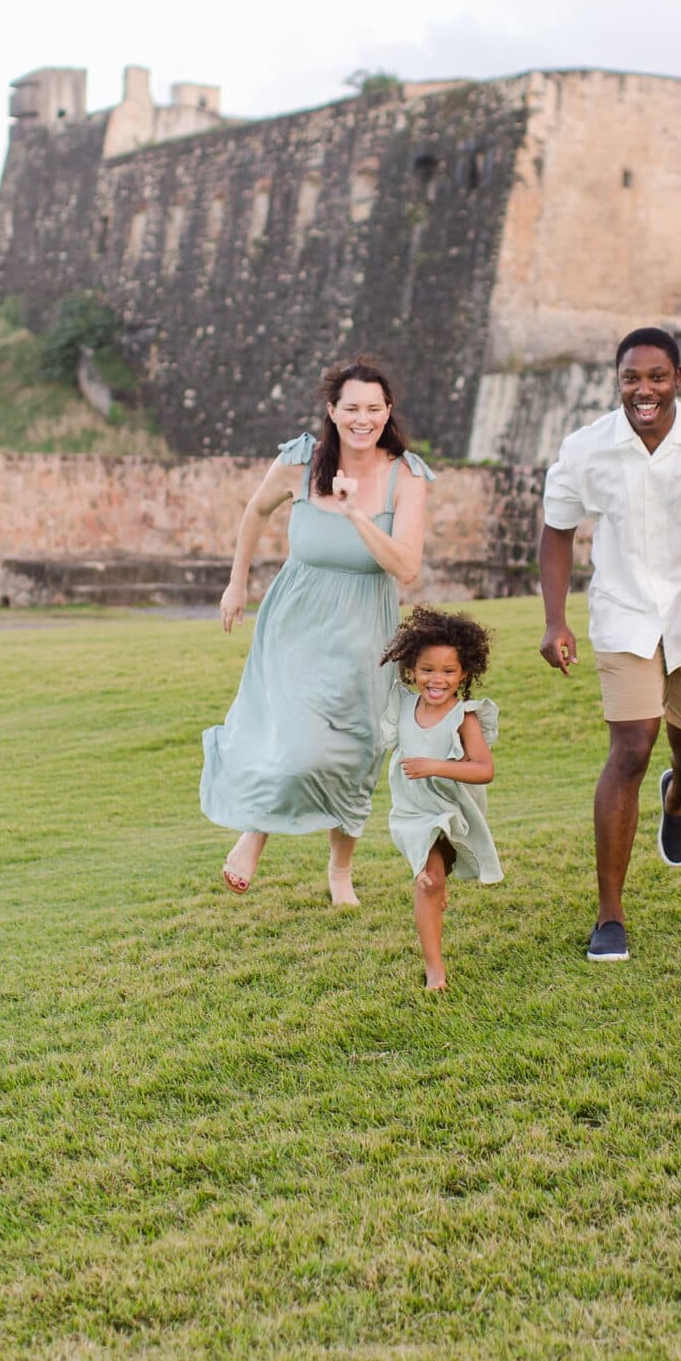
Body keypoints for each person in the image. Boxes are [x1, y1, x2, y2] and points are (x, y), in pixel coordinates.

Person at [538, 325, 681, 963]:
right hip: (624, 613)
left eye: (656, 377)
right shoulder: (588, 448)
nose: (644, 390)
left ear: (678, 379)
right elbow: (557, 530)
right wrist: (555, 620)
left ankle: (678, 796)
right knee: (631, 747)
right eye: (631, 379)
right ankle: (609, 916)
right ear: (617, 382)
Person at [200, 357, 433, 906]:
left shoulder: (407, 477)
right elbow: (255, 513)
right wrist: (237, 584)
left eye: (374, 408)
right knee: (297, 742)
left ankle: (340, 870)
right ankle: (255, 830)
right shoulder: (299, 462)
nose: (362, 418)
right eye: (351, 407)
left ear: (387, 412)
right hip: (296, 622)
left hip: (364, 630)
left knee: (354, 752)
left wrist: (355, 515)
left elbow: (406, 567)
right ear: (332, 411)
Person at [379, 606, 501, 990]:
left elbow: (484, 769)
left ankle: (438, 880)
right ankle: (436, 969)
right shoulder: (401, 705)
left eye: (449, 671)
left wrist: (435, 765)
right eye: (427, 669)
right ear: (411, 669)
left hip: (453, 811)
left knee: (433, 875)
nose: (437, 680)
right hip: (413, 810)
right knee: (429, 880)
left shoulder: (464, 717)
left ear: (464, 673)